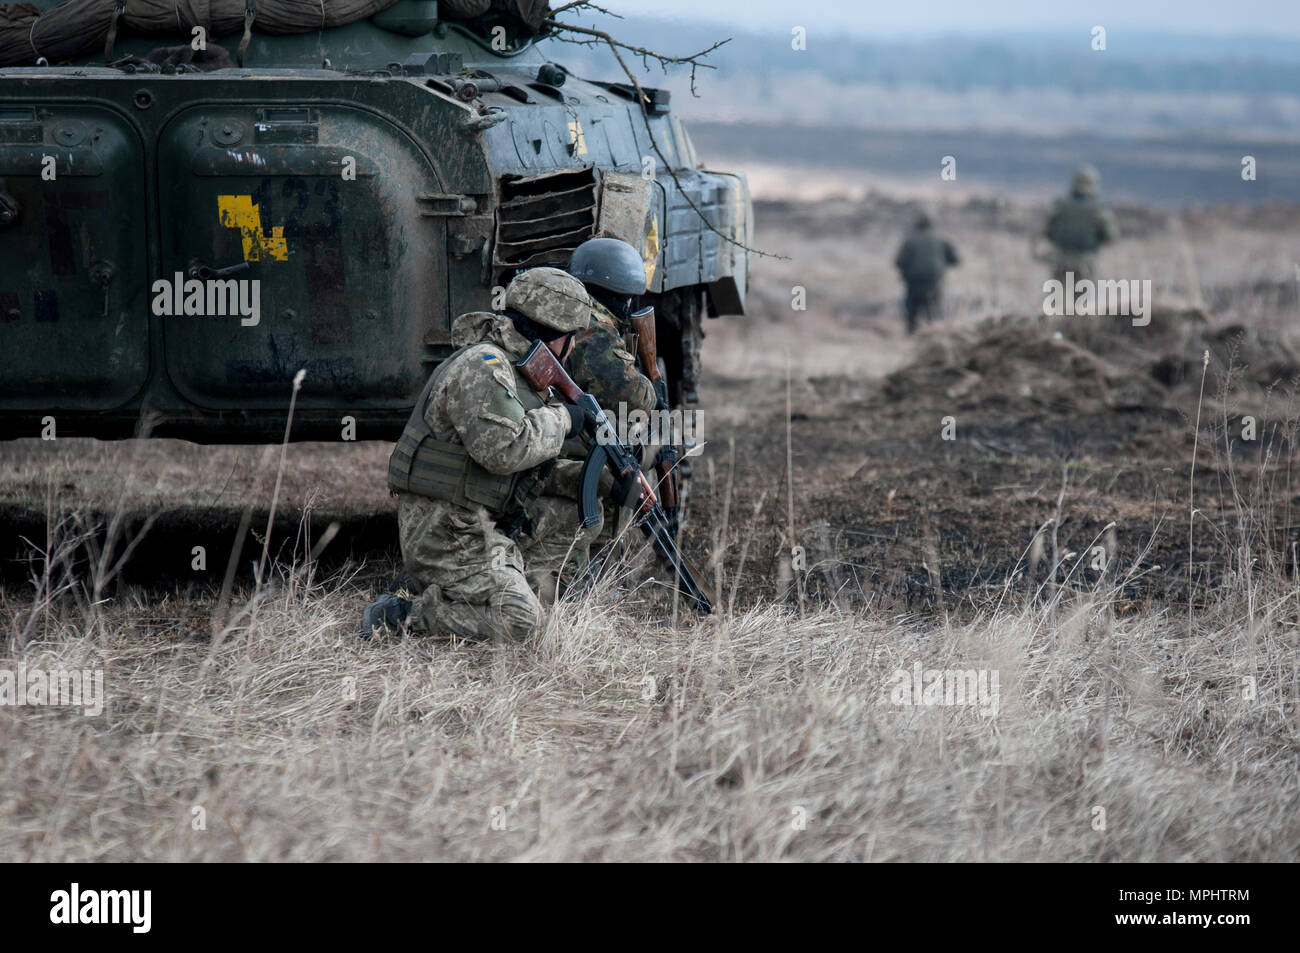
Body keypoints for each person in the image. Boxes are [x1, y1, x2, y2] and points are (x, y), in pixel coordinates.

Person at [361, 267, 599, 641]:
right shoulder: (484, 366)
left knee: (581, 514)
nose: (573, 350)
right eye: (573, 339)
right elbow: (504, 452)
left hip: (481, 517)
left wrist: (593, 478)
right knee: (525, 625)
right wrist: (564, 419)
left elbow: (532, 468)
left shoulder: (518, 371)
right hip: (446, 530)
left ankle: (512, 587)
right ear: (558, 338)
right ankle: (404, 614)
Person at [1043, 165, 1119, 284]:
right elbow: (1111, 237)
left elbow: (1047, 231)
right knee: (1085, 301)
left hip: (1060, 263)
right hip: (1086, 265)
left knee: (1058, 300)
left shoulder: (1060, 207)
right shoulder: (1100, 211)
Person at [894, 211, 959, 335]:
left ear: (917, 225)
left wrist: (906, 274)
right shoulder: (941, 241)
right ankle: (934, 339)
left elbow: (898, 262)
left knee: (912, 315)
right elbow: (955, 261)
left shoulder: (910, 242)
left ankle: (911, 339)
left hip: (913, 285)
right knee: (933, 315)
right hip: (934, 283)